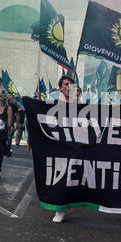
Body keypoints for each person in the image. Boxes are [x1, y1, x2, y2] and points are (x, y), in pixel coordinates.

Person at [51, 74, 79, 223]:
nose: (69, 86)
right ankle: (59, 209)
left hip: (77, 147)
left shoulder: (81, 105)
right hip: (60, 147)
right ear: (61, 88)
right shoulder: (55, 105)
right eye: (66, 84)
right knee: (60, 177)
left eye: (71, 84)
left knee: (74, 178)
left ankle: (67, 203)